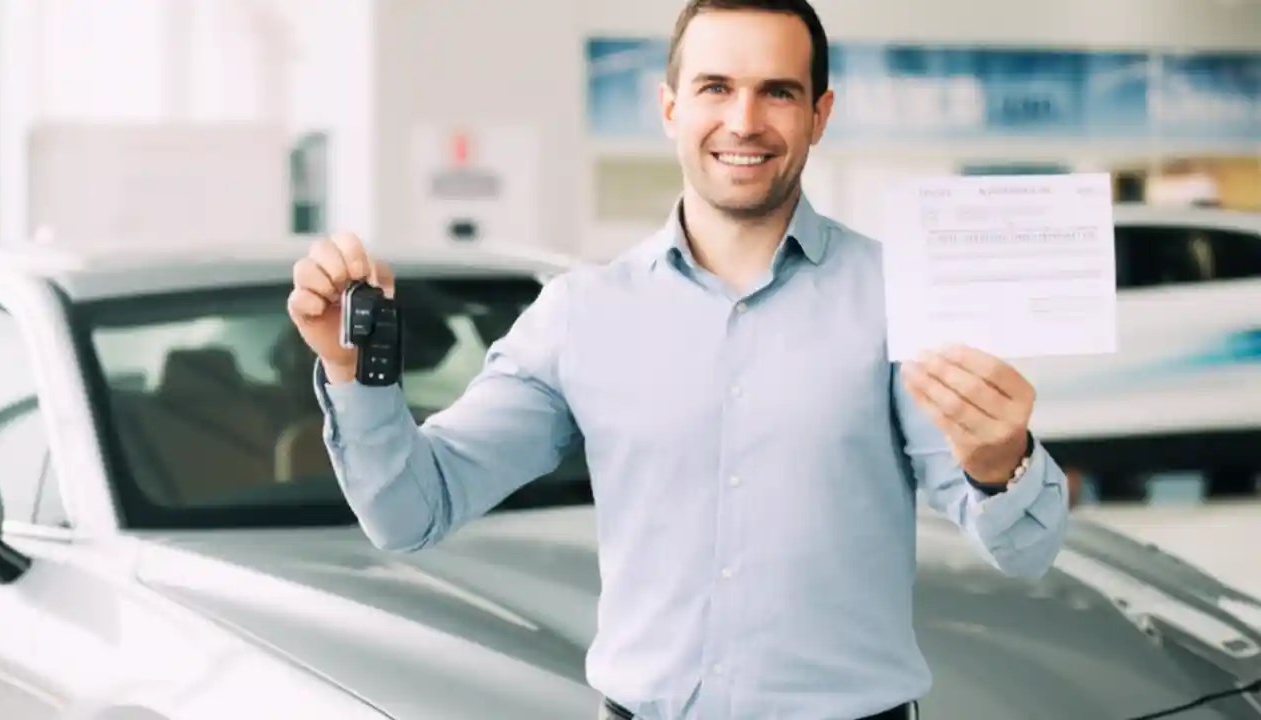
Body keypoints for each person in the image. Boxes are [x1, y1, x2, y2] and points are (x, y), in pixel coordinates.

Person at [286, 1, 1071, 718]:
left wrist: (1000, 461)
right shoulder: (581, 314)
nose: (744, 120)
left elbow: (1022, 545)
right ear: (670, 107)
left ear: (820, 114)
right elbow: (412, 512)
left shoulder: (902, 297)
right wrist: (357, 374)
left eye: (778, 92)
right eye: (715, 87)